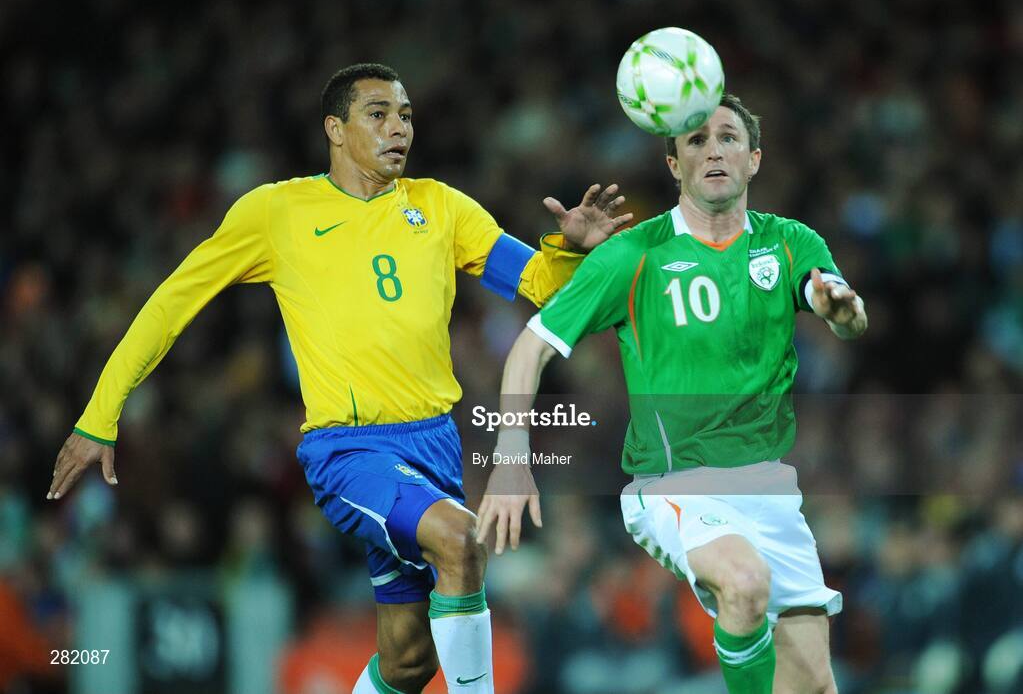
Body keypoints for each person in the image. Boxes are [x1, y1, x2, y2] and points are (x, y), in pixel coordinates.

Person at [46, 63, 631, 694]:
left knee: (409, 662)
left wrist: (572, 251)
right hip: (351, 451)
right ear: (335, 128)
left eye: (405, 115)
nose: (398, 128)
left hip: (435, 446)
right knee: (462, 540)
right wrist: (99, 417)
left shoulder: (441, 207)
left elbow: (540, 285)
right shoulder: (278, 212)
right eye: (378, 114)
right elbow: (171, 305)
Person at [477, 93, 867, 694]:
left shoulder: (790, 241)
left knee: (813, 685)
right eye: (696, 141)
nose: (713, 151)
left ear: (754, 159)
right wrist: (510, 457)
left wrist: (843, 312)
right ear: (674, 164)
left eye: (729, 138)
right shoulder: (635, 254)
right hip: (675, 483)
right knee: (743, 583)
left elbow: (838, 305)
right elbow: (531, 347)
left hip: (768, 485)